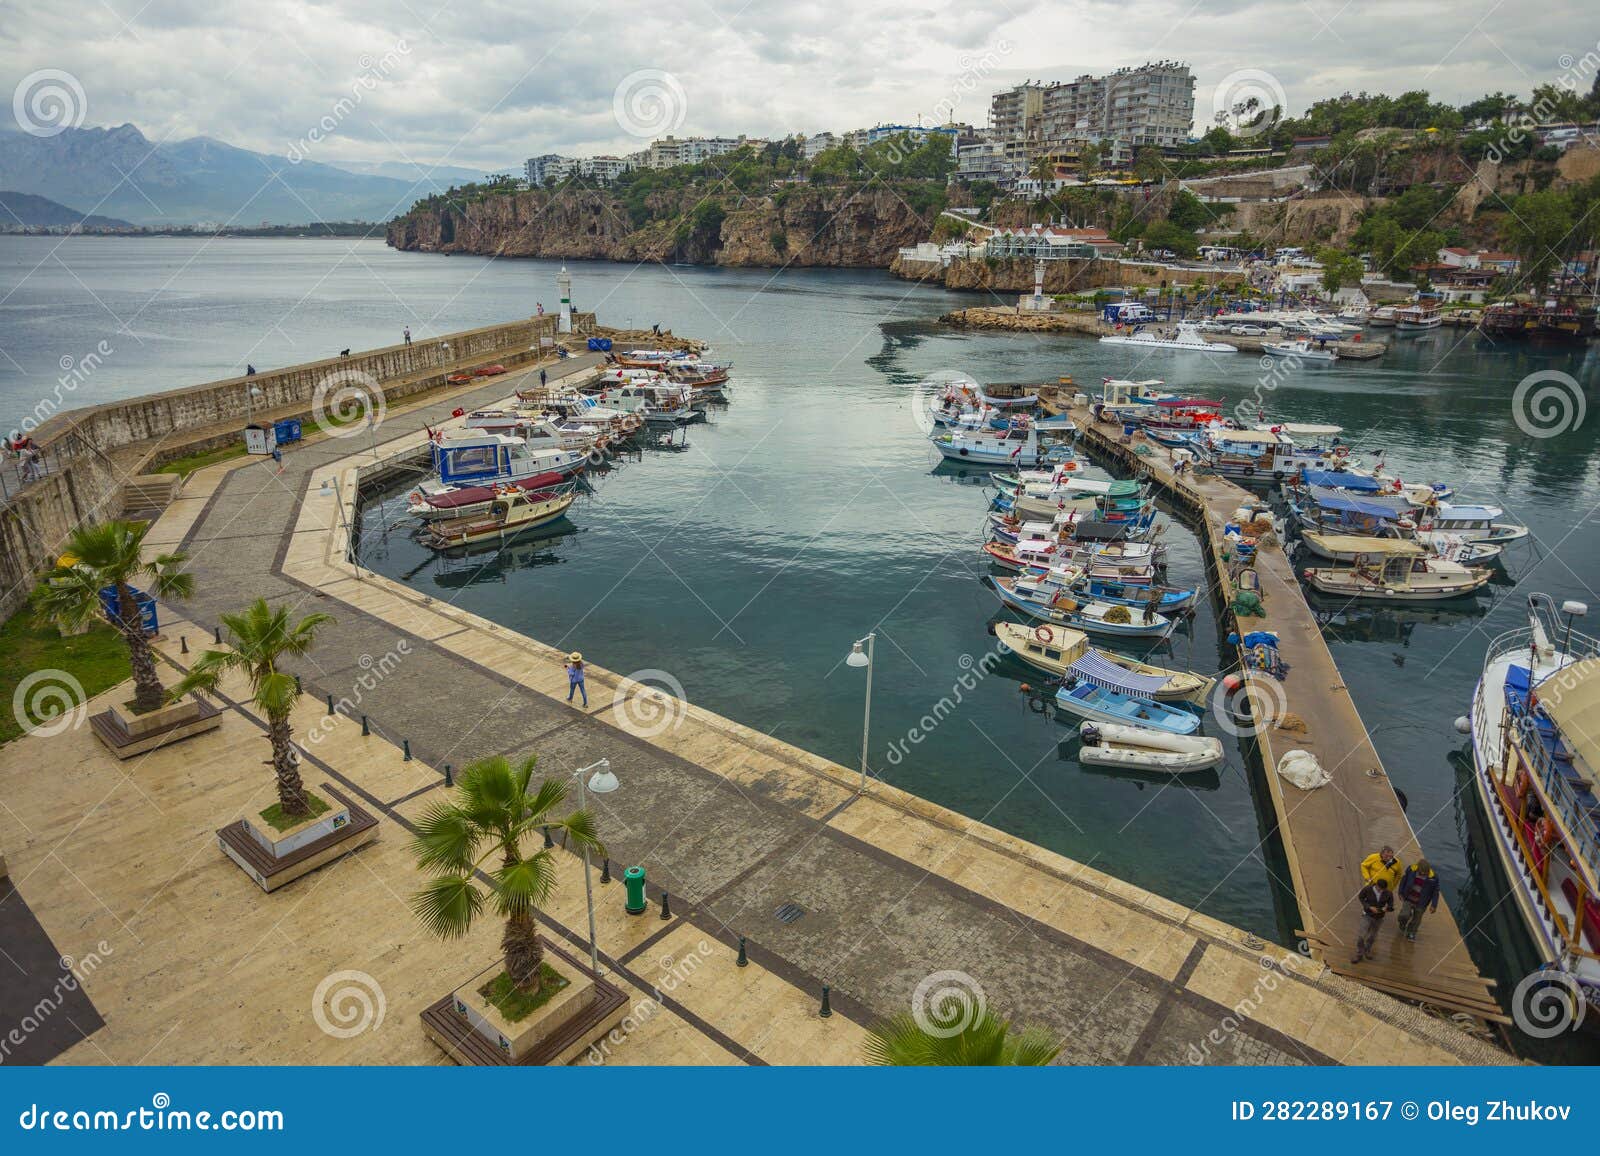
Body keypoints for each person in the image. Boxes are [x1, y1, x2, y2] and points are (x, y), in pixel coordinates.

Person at [1396, 858, 1440, 942]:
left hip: (1421, 902)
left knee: (1417, 919)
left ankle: (1411, 933)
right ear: (1418, 868)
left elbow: (1435, 892)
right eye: (1422, 871)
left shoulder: (1434, 877)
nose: (1423, 873)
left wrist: (1434, 905)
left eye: (1425, 872)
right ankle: (1402, 923)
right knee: (1404, 915)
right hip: (1408, 898)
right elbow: (1403, 881)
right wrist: (1400, 892)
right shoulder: (1411, 870)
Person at [1352, 876, 1393, 963]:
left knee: (1372, 936)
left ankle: (1367, 950)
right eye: (1380, 889)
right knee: (1361, 935)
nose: (1381, 891)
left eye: (1383, 890)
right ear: (1376, 886)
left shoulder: (1388, 893)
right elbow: (1361, 897)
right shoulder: (1367, 889)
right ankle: (1359, 953)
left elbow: (1391, 905)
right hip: (1367, 915)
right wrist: (1369, 907)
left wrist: (1387, 908)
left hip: (1379, 918)